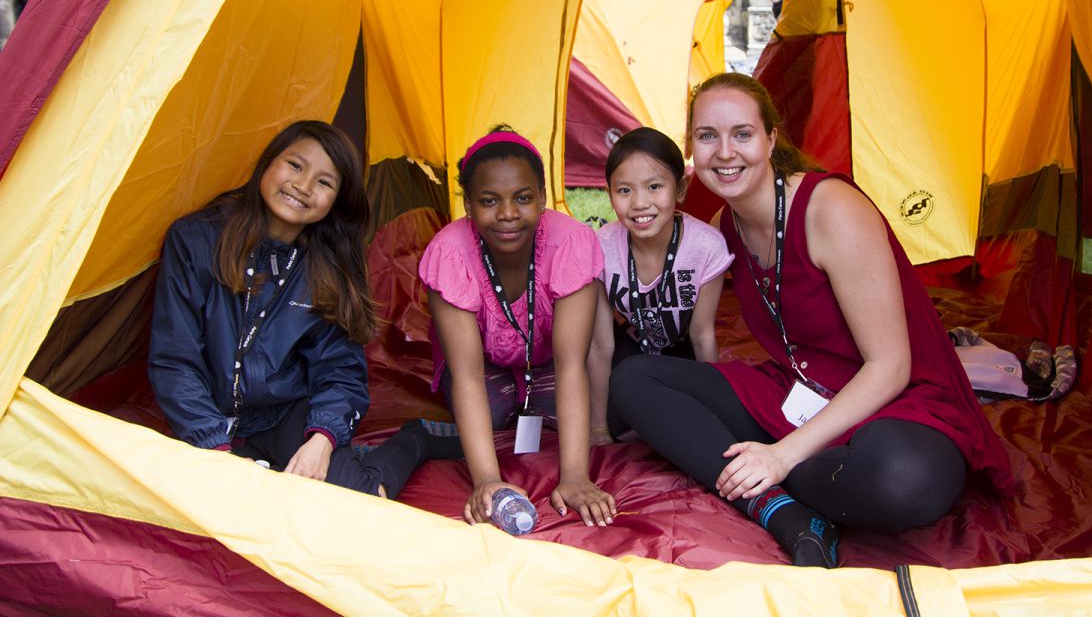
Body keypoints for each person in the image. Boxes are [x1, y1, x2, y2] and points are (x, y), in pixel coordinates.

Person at [611, 74, 1013, 567]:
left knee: (903, 481)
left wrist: (781, 455)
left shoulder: (830, 210)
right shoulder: (723, 228)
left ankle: (764, 472)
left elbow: (890, 366)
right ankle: (780, 511)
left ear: (771, 139)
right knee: (634, 379)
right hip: (797, 392)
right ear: (691, 147)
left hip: (894, 399)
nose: (724, 152)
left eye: (742, 133)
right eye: (707, 136)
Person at [149, 121, 410, 498]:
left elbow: (340, 370)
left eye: (324, 182)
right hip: (206, 419)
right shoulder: (195, 241)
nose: (303, 187)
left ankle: (415, 441)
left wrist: (321, 438)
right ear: (268, 163)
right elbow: (175, 360)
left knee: (362, 505)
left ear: (337, 200)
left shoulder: (326, 266)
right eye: (295, 166)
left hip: (282, 414)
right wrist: (213, 447)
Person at [401, 126, 616, 528]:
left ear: (542, 196)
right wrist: (486, 481)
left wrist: (574, 476)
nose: (507, 214)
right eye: (488, 201)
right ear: (467, 204)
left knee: (599, 415)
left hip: (550, 366)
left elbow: (572, 365)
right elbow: (465, 376)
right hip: (485, 369)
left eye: (522, 198)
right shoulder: (451, 252)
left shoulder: (570, 242)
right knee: (486, 415)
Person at [588, 127, 732, 444]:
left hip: (681, 351)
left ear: (680, 189)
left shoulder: (706, 248)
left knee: (689, 411)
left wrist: (719, 411)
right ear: (609, 193)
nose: (640, 203)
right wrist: (597, 428)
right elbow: (600, 345)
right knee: (615, 419)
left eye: (654, 187)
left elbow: (702, 335)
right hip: (629, 347)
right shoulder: (600, 246)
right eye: (624, 191)